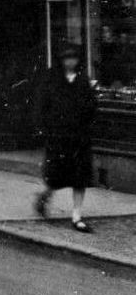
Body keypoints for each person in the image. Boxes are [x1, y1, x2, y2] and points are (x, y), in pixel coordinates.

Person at [34, 42, 98, 232]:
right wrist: (46, 128)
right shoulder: (52, 81)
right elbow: (42, 107)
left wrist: (86, 120)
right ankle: (45, 196)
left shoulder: (82, 80)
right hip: (59, 136)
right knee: (56, 176)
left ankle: (77, 216)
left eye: (74, 58)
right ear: (61, 61)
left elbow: (92, 106)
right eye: (67, 59)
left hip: (79, 137)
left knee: (80, 178)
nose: (70, 62)